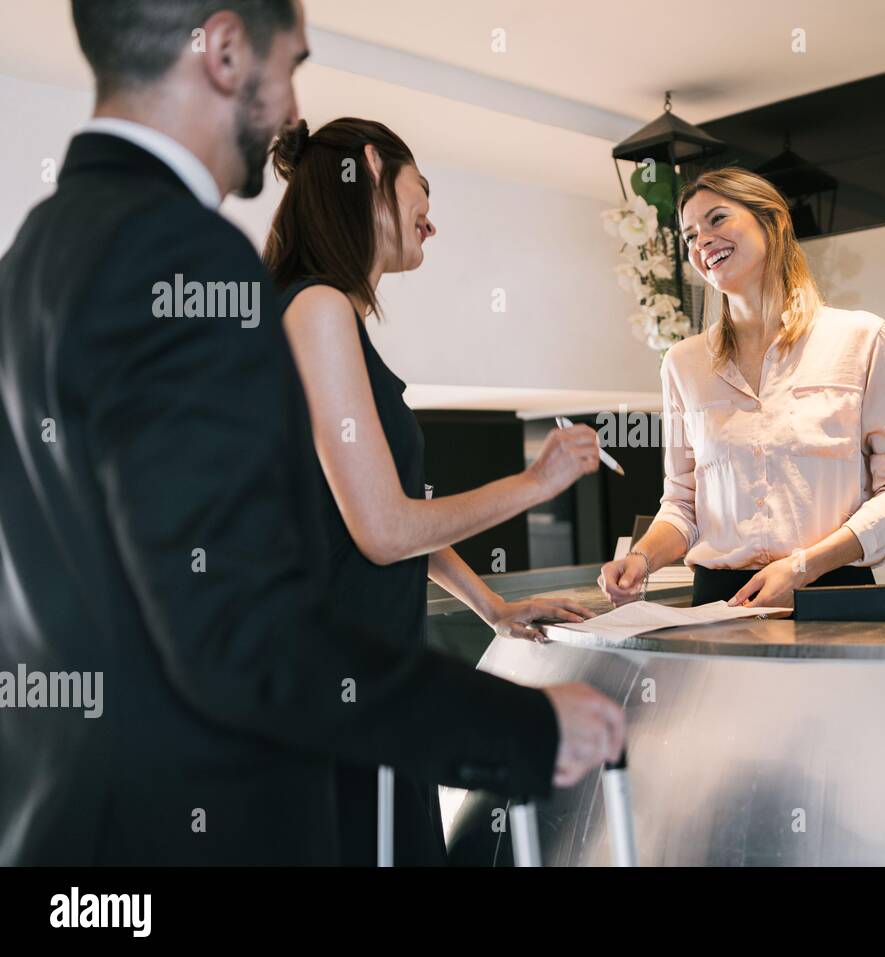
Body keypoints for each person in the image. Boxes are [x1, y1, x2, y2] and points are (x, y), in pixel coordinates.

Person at [0, 0, 622, 865]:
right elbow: (244, 624)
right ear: (221, 49)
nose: (293, 112)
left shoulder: (32, 254)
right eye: (290, 65)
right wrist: (520, 726)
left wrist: (491, 606)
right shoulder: (183, 257)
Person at [262, 117, 602, 863]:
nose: (432, 220)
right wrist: (535, 481)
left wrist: (494, 606)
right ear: (375, 166)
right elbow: (383, 529)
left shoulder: (330, 314)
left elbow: (389, 513)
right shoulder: (317, 309)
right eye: (424, 191)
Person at [600, 167, 885, 609]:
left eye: (717, 219)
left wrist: (804, 566)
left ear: (772, 222)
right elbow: (683, 504)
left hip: (831, 594)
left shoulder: (861, 339)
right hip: (720, 603)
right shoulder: (682, 364)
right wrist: (643, 557)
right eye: (690, 236)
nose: (702, 241)